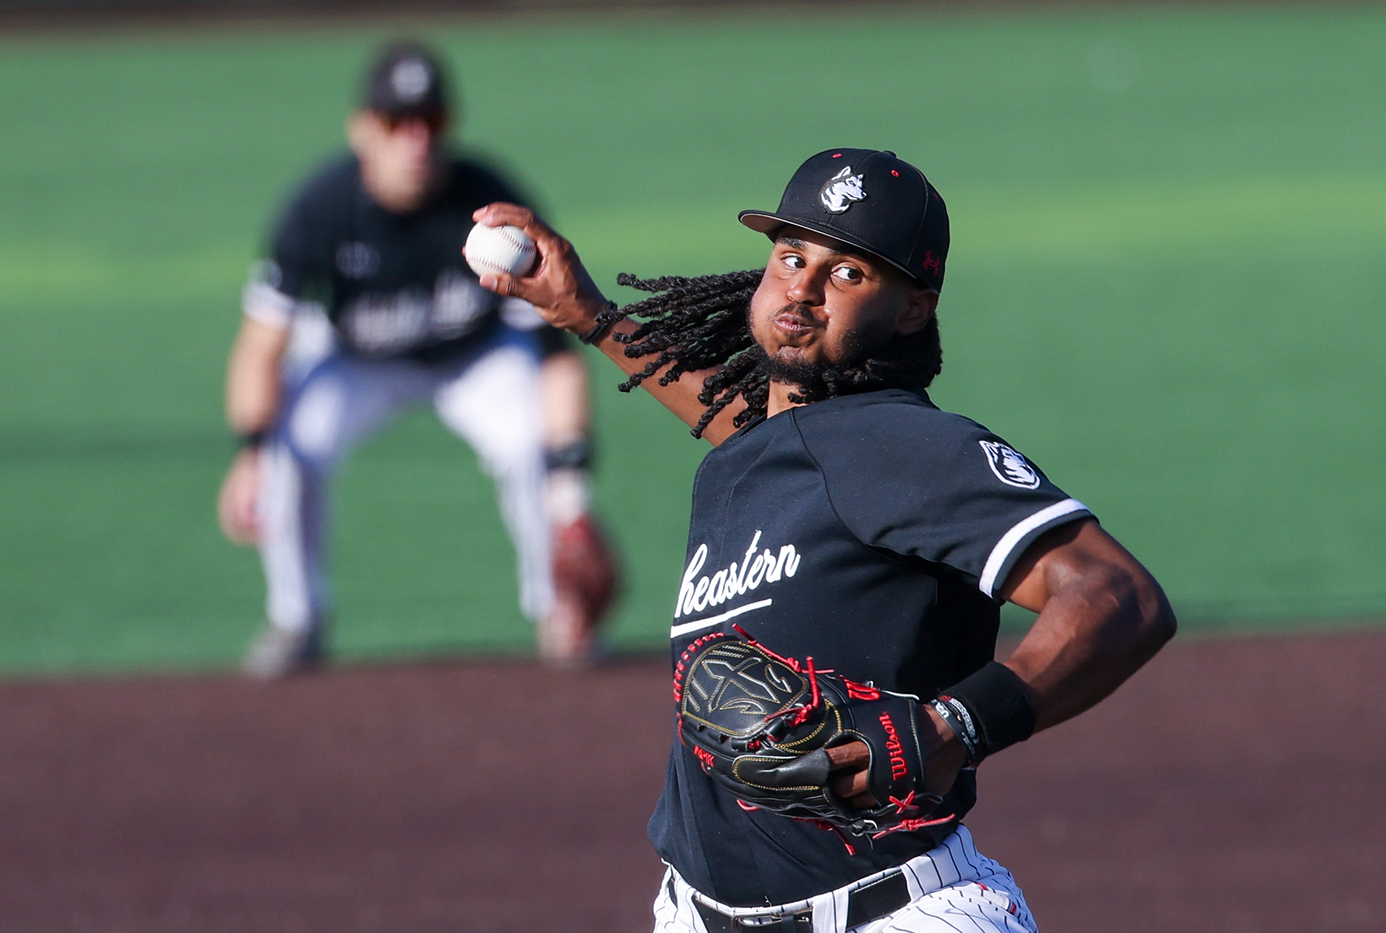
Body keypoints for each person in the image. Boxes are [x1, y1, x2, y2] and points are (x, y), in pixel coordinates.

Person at [471, 148, 1177, 931]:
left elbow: (1120, 595)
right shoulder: (770, 453)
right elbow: (741, 425)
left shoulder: (906, 447)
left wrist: (957, 726)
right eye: (791, 256)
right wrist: (589, 314)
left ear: (912, 309)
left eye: (848, 273)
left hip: (897, 914)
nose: (802, 286)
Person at [216, 41, 617, 677]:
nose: (415, 139)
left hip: (476, 358)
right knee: (289, 447)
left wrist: (572, 491)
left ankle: (559, 612)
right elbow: (261, 344)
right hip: (359, 362)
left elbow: (554, 356)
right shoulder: (319, 210)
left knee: (525, 444)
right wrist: (249, 451)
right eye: (396, 122)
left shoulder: (489, 205)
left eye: (430, 121)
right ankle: (298, 618)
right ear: (362, 129)